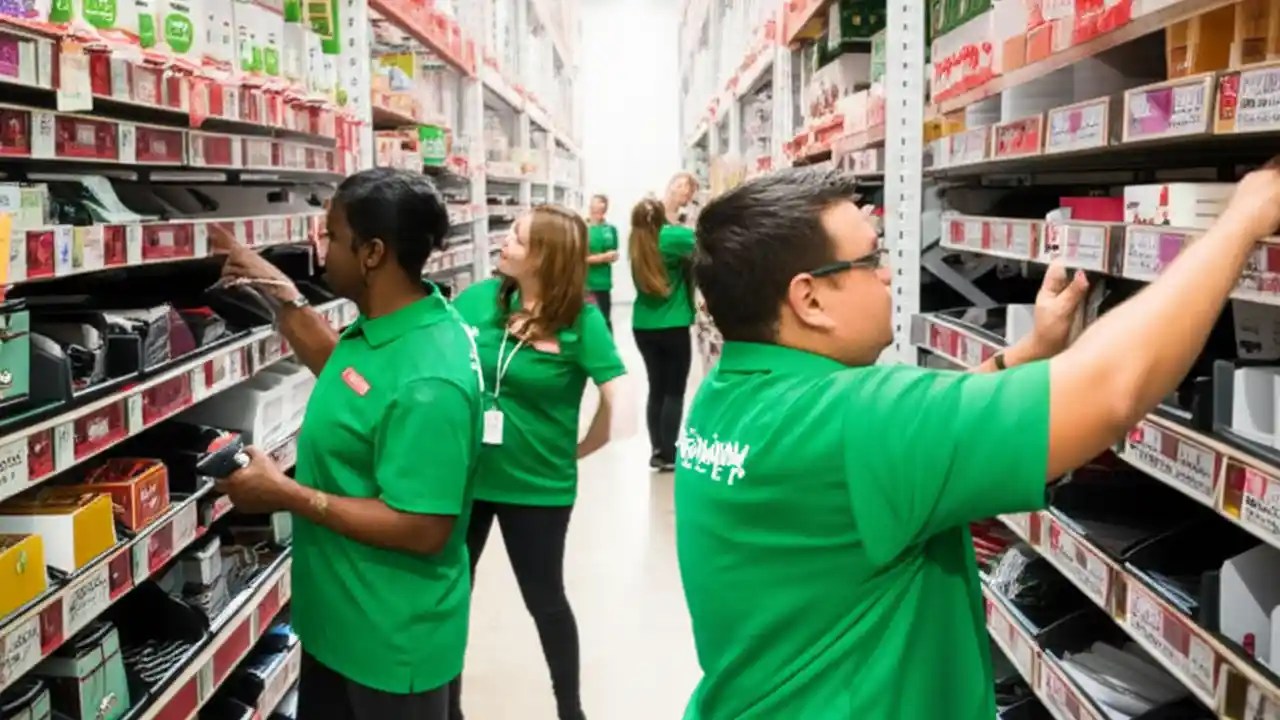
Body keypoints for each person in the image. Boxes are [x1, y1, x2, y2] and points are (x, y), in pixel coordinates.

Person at [675, 164, 1280, 719]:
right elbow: (1110, 392)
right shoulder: (854, 419)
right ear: (808, 298)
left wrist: (1031, 352)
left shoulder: (730, 396)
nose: (889, 273)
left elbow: (909, 440)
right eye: (871, 259)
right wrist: (1244, 217)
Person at [209, 168, 482, 720]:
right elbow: (357, 382)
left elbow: (424, 527)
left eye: (332, 235)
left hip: (390, 645)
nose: (321, 248)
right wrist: (281, 296)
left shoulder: (432, 379)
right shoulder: (397, 322)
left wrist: (286, 494)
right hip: (341, 621)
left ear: (373, 252)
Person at [447, 205, 626, 720]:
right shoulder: (479, 299)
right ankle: (448, 706)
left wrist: (583, 448)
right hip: (469, 478)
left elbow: (622, 400)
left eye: (518, 239)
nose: (504, 243)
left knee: (545, 599)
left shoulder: (580, 320)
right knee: (454, 592)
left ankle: (571, 710)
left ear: (546, 257)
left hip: (538, 485)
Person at [630, 195, 696, 472]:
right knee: (674, 391)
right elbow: (703, 242)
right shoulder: (673, 238)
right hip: (674, 325)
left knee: (656, 387)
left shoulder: (636, 243)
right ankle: (670, 453)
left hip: (643, 325)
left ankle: (657, 448)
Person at [585, 193, 619, 330]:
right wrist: (603, 257)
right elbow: (580, 258)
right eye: (595, 206)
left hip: (604, 284)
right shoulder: (583, 228)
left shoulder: (610, 230)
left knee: (605, 320)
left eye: (602, 206)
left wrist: (602, 257)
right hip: (586, 283)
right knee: (588, 320)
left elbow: (614, 253)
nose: (598, 210)